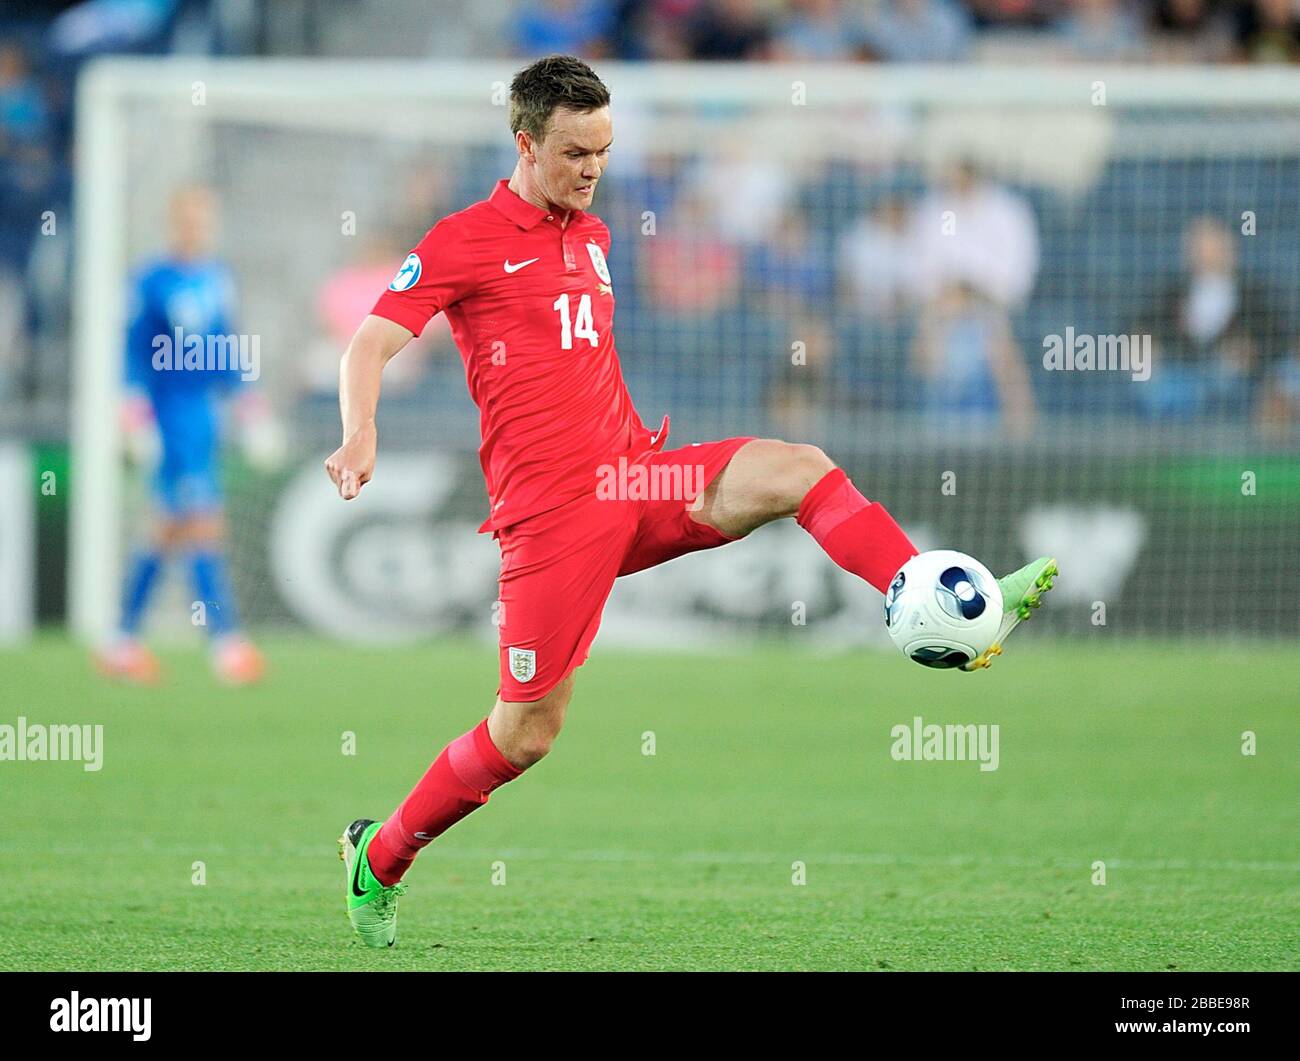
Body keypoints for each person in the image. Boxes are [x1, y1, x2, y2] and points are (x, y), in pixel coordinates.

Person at [324, 56, 1057, 948]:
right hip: (551, 519)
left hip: (637, 478)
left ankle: (942, 596)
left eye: (603, 150)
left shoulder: (591, 236)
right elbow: (367, 344)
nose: (593, 168)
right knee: (524, 735)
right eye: (575, 152)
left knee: (797, 467)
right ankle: (382, 856)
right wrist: (361, 429)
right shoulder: (462, 239)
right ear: (525, 144)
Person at [95, 185, 266, 687]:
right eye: (188, 219)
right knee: (202, 524)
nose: (196, 228)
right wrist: (133, 410)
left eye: (203, 219)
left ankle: (121, 640)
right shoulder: (151, 280)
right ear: (174, 223)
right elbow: (133, 350)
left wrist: (248, 405)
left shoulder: (217, 278)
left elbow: (226, 347)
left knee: (168, 528)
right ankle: (227, 644)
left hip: (203, 416)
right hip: (170, 417)